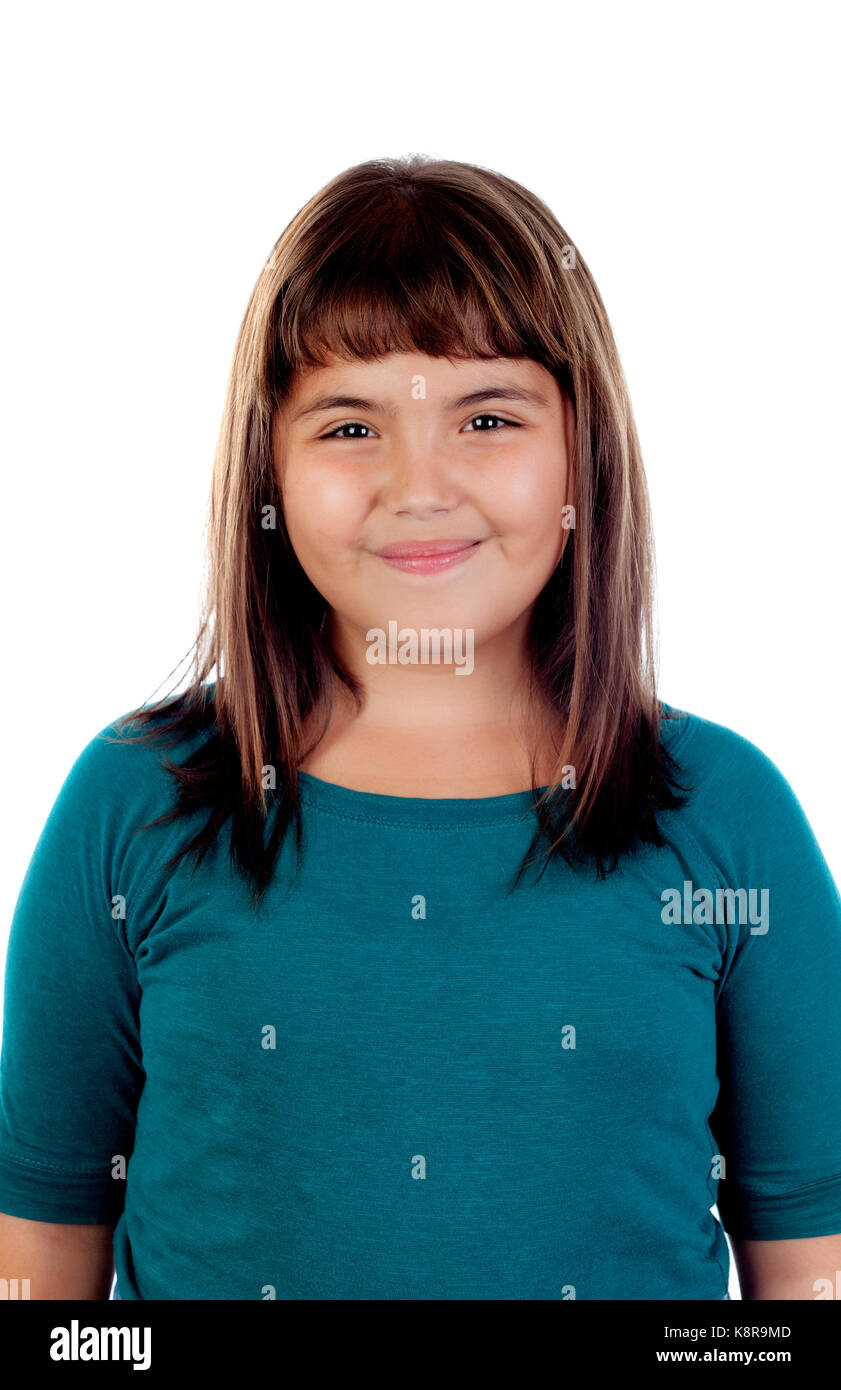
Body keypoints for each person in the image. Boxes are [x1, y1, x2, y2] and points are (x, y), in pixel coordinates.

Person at [1, 155, 840, 1301]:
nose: (418, 483)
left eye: (486, 416)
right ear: (271, 468)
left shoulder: (726, 817)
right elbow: (39, 1266)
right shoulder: (136, 804)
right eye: (349, 428)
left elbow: (808, 1278)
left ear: (579, 455)